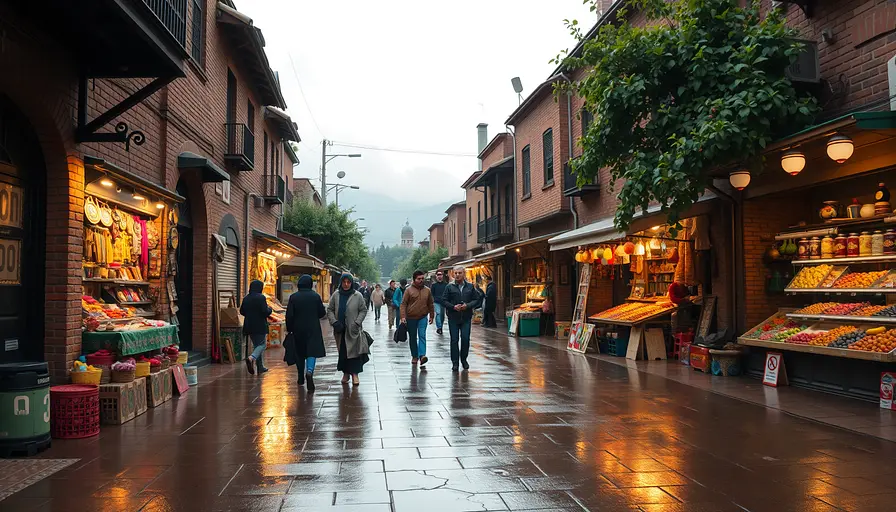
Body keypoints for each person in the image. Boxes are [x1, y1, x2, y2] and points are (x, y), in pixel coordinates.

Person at [285, 274, 327, 391]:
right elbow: (322, 313)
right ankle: (309, 371)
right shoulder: (315, 296)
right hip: (313, 328)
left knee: (299, 353)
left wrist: (289, 329)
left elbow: (289, 315)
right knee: (311, 351)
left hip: (298, 329)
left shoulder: (293, 297)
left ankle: (300, 377)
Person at [327, 273, 369, 386]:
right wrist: (334, 322)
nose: (346, 284)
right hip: (340, 330)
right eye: (344, 282)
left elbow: (363, 310)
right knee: (343, 353)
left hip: (353, 329)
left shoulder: (357, 295)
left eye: (348, 282)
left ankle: (355, 374)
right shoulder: (336, 295)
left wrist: (357, 322)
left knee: (354, 353)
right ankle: (345, 373)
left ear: (351, 283)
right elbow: (330, 309)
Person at [441, 266, 481, 372]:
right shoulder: (449, 287)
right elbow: (444, 301)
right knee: (454, 340)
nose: (457, 275)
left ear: (464, 274)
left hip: (466, 317)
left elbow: (476, 299)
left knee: (465, 339)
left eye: (460, 273)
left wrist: (467, 306)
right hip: (453, 317)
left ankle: (464, 359)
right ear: (453, 274)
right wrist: (453, 307)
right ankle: (455, 362)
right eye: (456, 273)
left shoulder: (470, 287)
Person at [400, 270, 434, 367]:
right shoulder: (408, 290)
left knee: (422, 335)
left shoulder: (427, 290)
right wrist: (403, 317)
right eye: (419, 279)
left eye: (422, 278)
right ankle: (414, 355)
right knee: (413, 337)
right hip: (411, 317)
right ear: (414, 279)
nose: (421, 280)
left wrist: (431, 315)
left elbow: (430, 303)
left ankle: (422, 355)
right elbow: (403, 304)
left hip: (423, 317)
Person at [240, 279, 273, 375]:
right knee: (262, 345)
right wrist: (270, 310)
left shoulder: (246, 298)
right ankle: (251, 358)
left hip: (249, 325)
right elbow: (264, 311)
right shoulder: (261, 297)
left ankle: (260, 367)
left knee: (257, 345)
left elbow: (242, 311)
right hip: (259, 325)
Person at [430, 270, 448, 335]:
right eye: (438, 275)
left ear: (443, 276)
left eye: (441, 275)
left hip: (444, 302)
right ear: (436, 276)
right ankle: (439, 327)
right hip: (436, 302)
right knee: (438, 313)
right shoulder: (434, 285)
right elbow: (431, 294)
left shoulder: (446, 285)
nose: (439, 276)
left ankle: (441, 327)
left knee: (442, 316)